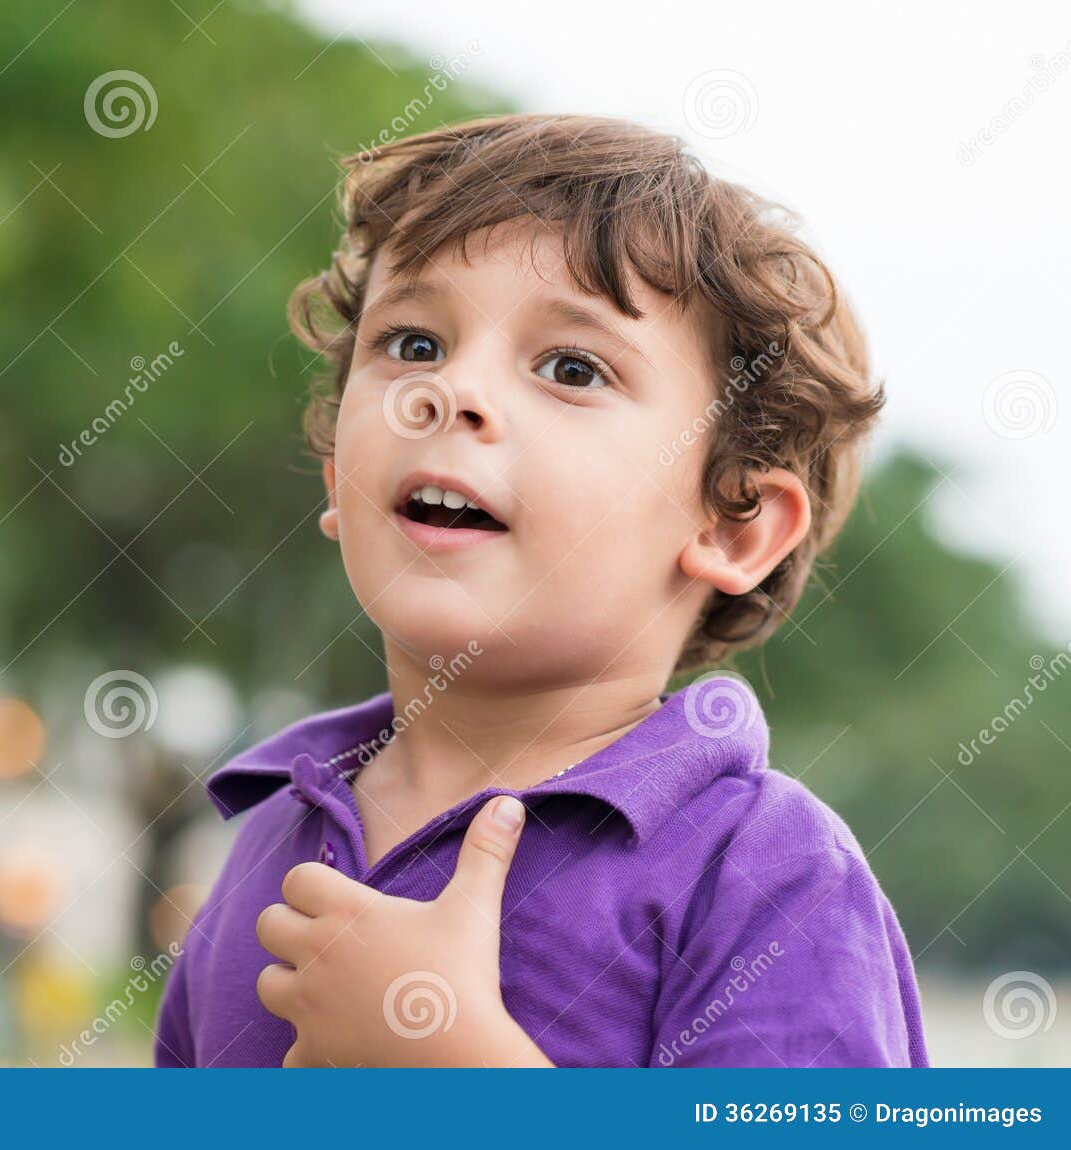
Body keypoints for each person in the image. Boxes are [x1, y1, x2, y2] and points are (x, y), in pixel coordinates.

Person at [154, 113, 925, 1068]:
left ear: (732, 526)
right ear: (333, 476)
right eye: (413, 343)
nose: (447, 392)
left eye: (571, 367)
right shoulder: (269, 835)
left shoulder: (767, 875)